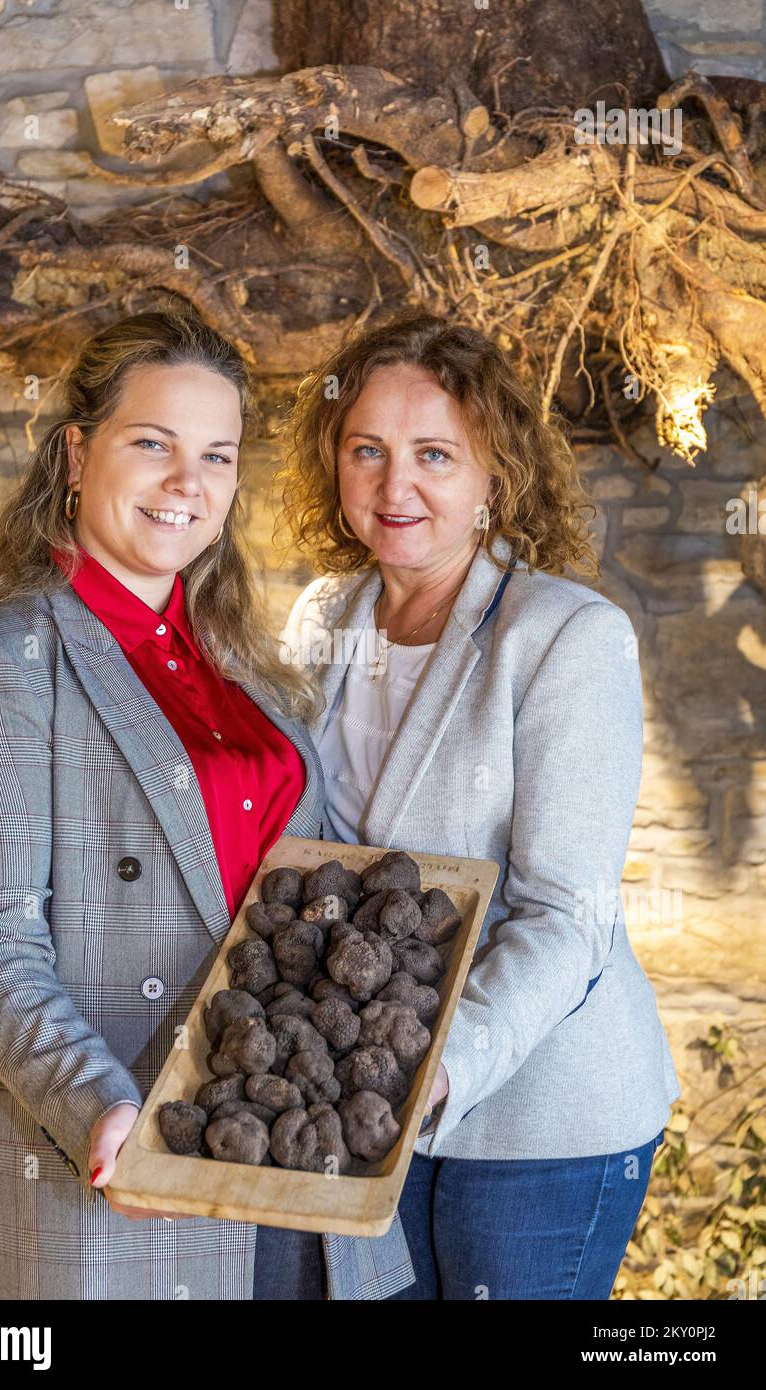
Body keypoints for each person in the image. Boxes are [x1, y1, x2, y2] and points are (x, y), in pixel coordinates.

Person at [0, 308, 414, 1301]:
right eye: (153, 444)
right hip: (116, 1155)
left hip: (289, 1130)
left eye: (216, 455)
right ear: (77, 452)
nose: (188, 482)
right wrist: (100, 1111)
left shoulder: (246, 669)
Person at [276, 311, 681, 1299]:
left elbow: (562, 912)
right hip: (365, 1095)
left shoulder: (564, 635)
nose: (392, 485)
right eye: (364, 450)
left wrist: (442, 1064)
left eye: (431, 454)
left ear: (492, 473)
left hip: (542, 1107)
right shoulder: (318, 617)